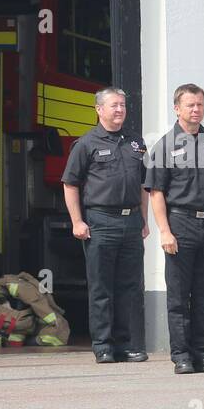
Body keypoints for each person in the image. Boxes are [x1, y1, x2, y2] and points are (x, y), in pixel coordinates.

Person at [145, 84, 204, 374]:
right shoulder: (165, 145)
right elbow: (156, 192)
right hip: (180, 225)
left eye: (200, 105)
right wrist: (165, 231)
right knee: (179, 296)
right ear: (177, 108)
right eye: (190, 105)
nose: (196, 110)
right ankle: (181, 356)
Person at [62, 87, 149, 363]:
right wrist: (77, 221)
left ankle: (125, 345)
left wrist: (145, 220)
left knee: (129, 287)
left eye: (123, 105)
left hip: (131, 221)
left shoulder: (136, 143)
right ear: (99, 109)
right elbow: (70, 184)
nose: (120, 110)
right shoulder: (86, 144)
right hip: (100, 221)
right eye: (114, 105)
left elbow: (145, 186)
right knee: (102, 287)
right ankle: (103, 346)